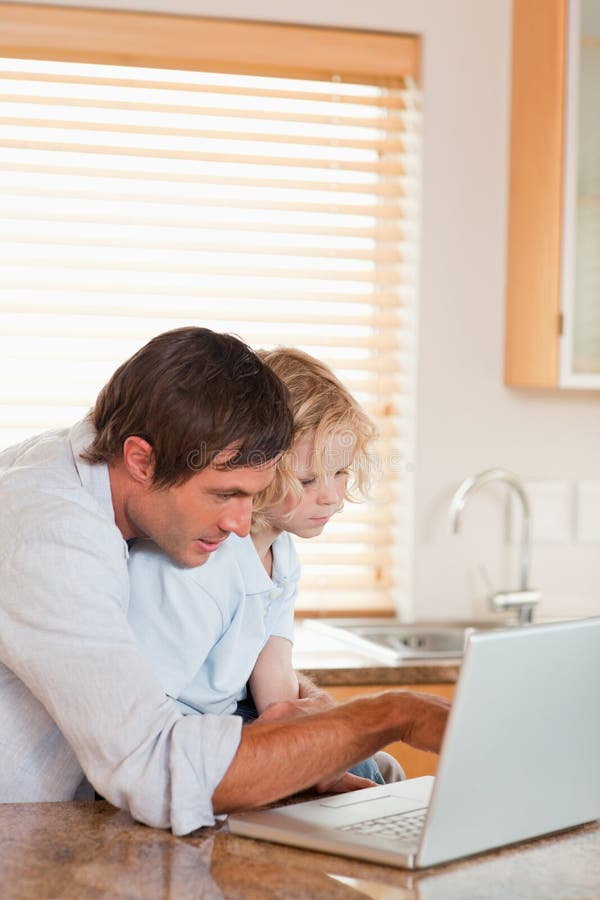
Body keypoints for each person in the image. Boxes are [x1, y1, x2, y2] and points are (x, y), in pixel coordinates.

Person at [0, 326, 450, 836]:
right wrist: (389, 715)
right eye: (223, 494)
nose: (241, 525)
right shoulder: (53, 535)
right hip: (27, 834)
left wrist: (303, 715)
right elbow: (155, 766)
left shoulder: (119, 461)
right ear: (141, 459)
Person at [127, 347, 400, 784]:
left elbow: (275, 687)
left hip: (229, 718)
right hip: (183, 735)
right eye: (308, 481)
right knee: (362, 764)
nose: (330, 496)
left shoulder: (281, 555)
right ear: (259, 467)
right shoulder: (200, 558)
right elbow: (143, 715)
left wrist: (315, 747)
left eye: (342, 473)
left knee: (364, 758)